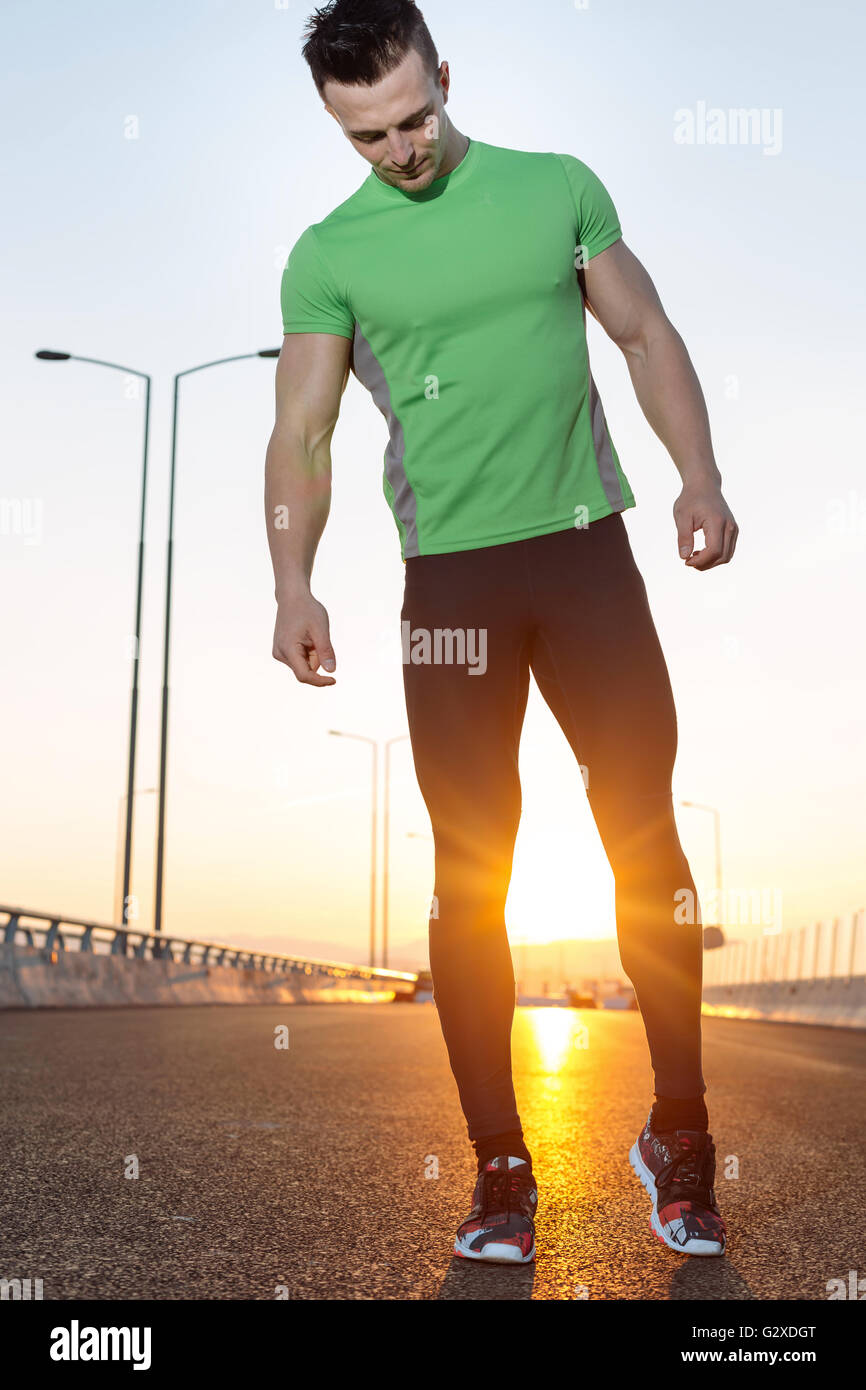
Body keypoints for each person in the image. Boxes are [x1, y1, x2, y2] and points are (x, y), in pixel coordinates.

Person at [265, 0, 738, 1265]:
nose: (403, 148)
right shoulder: (330, 256)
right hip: (450, 595)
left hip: (586, 559)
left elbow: (641, 331)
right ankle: (498, 1168)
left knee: (644, 831)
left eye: (415, 116)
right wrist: (292, 579)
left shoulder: (554, 189)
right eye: (369, 135)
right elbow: (299, 438)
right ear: (335, 123)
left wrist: (695, 472)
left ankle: (679, 1134)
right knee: (468, 877)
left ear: (444, 77)